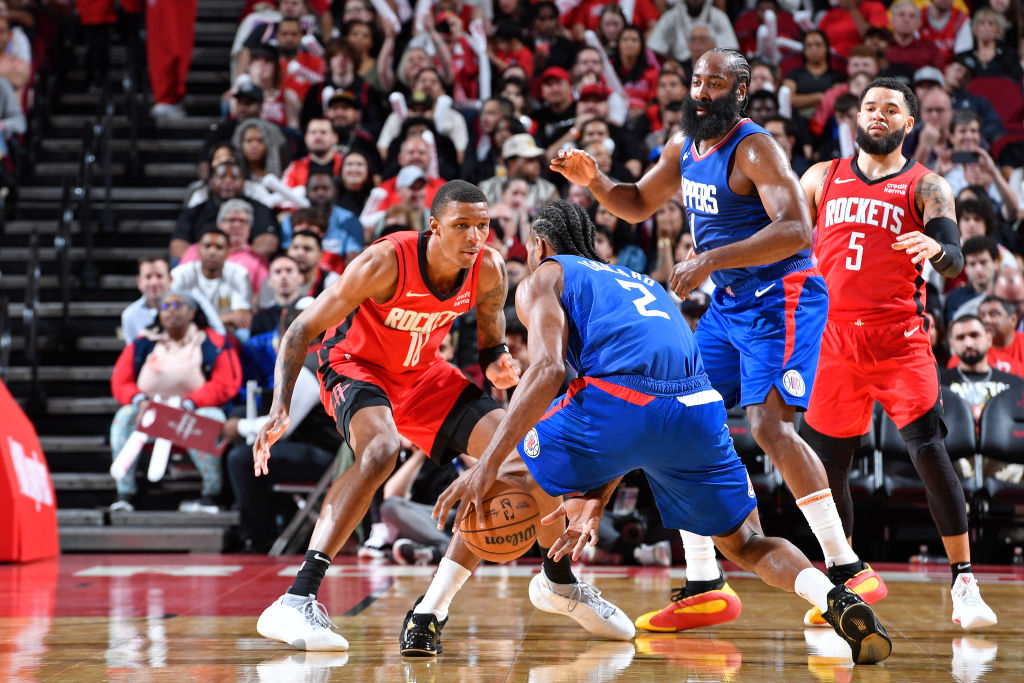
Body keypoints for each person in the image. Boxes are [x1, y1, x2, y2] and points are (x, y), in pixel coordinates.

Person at [424, 200, 892, 666]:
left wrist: (483, 467)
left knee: (512, 467)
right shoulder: (640, 282)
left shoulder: (544, 276)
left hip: (623, 401)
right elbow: (643, 411)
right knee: (748, 543)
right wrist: (596, 500)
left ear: (538, 245)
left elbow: (549, 370)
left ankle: (439, 610)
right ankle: (834, 598)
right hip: (697, 409)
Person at [550, 48, 881, 634]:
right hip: (730, 304)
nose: (700, 92)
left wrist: (710, 259)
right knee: (676, 410)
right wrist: (594, 179)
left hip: (785, 296)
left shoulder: (754, 148)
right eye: (696, 81)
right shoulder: (684, 147)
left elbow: (797, 229)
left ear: (740, 93)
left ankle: (846, 565)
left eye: (714, 84)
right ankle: (704, 581)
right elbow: (636, 203)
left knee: (768, 426)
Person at [251, 181, 626, 650]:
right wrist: (279, 406)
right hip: (355, 367)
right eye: (462, 226)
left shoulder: (488, 269)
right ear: (433, 228)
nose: (474, 237)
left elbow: (491, 341)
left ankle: (557, 579)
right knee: (382, 449)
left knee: (530, 455)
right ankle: (296, 599)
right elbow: (301, 329)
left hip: (424, 374)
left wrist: (499, 363)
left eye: (483, 226)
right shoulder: (384, 262)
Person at [799, 77, 998, 630]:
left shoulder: (926, 184)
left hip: (897, 338)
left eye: (891, 109)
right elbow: (786, 234)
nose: (878, 115)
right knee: (828, 464)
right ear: (856, 117)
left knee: (927, 449)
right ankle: (845, 580)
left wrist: (939, 248)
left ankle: (964, 581)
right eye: (870, 107)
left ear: (910, 123)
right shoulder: (823, 177)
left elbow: (955, 257)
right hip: (833, 339)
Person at [109, 292, 241, 512]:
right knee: (123, 417)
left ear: (192, 312)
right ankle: (125, 493)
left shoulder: (213, 342)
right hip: (149, 410)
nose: (171, 310)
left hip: (193, 409)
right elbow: (120, 381)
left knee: (212, 419)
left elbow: (226, 382)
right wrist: (139, 400)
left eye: (178, 305)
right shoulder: (143, 343)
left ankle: (212, 493)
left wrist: (190, 403)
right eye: (165, 306)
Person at [121, 257, 225, 343]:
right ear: (139, 281)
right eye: (148, 277)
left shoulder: (194, 300)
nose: (154, 283)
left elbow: (220, 334)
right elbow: (134, 354)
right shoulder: (129, 315)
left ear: (170, 280)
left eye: (159, 276)